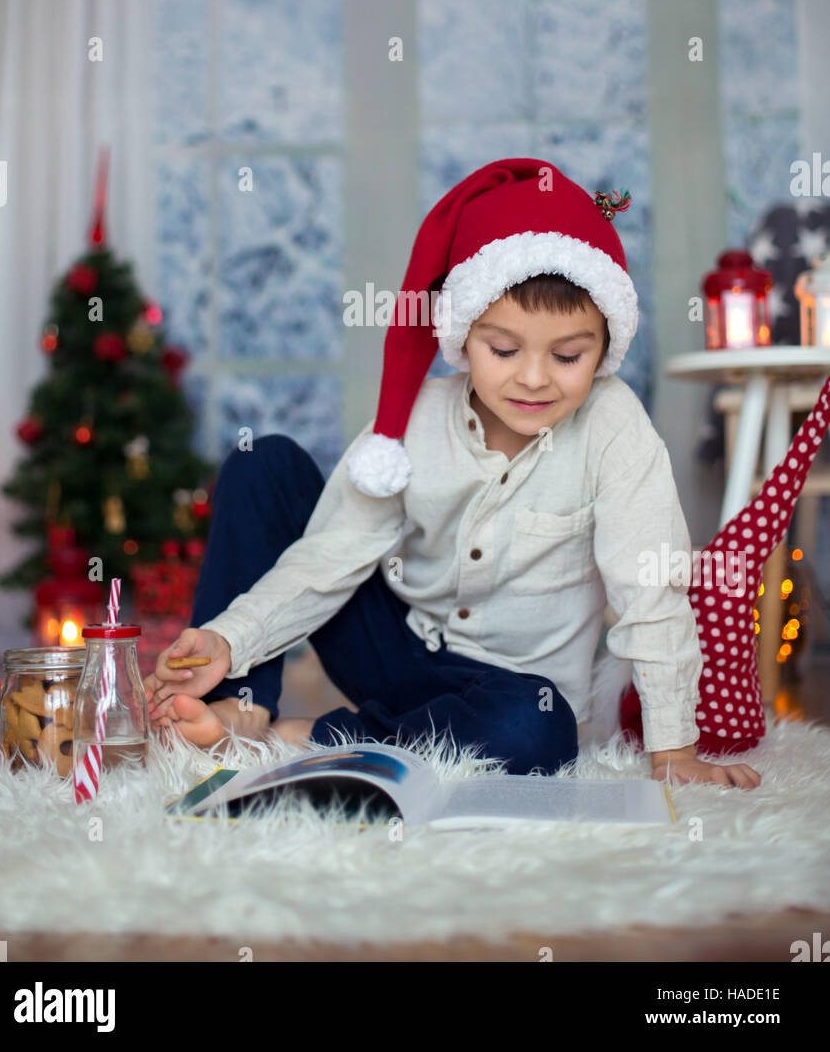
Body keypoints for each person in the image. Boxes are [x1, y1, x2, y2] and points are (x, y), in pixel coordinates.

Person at [145, 158, 761, 788]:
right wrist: (227, 639)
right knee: (263, 461)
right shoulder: (417, 416)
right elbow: (333, 552)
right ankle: (241, 703)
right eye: (504, 350)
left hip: (515, 691)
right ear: (463, 337)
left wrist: (673, 749)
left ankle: (319, 736)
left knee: (536, 733)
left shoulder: (614, 427)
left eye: (569, 355)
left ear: (606, 348)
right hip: (396, 649)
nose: (533, 377)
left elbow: (650, 586)